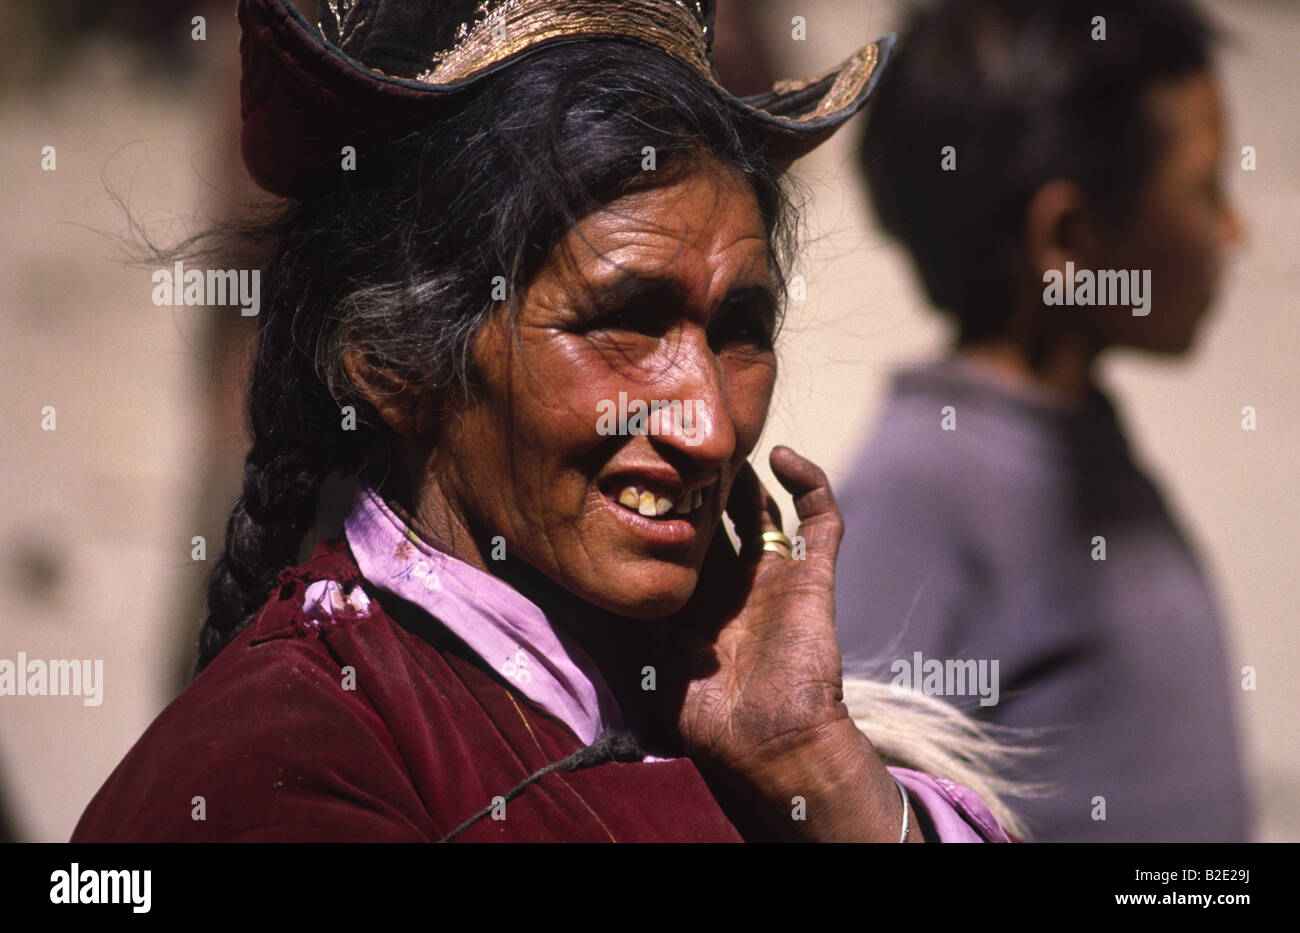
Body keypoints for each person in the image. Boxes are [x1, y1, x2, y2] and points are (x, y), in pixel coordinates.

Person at [73, 0, 1023, 843]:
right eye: (621, 322)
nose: (709, 428)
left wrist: (816, 766)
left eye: (740, 329)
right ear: (393, 362)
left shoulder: (732, 725)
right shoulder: (280, 774)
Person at [836, 0, 1249, 841]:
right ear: (1067, 237)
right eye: (1206, 190)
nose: (1233, 231)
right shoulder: (925, 485)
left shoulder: (1076, 443)